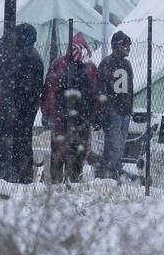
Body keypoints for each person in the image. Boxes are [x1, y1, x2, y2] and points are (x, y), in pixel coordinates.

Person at [41, 32, 98, 183]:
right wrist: (94, 115)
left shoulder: (58, 64)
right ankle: (73, 179)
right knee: (78, 151)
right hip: (82, 119)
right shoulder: (91, 67)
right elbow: (96, 95)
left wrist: (47, 112)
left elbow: (49, 90)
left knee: (58, 150)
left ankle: (56, 181)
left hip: (60, 116)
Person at [0, 24, 45, 182]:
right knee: (22, 139)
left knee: (17, 139)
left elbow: (8, 78)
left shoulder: (22, 57)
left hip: (19, 103)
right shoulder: (31, 56)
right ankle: (22, 174)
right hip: (26, 104)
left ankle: (17, 174)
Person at [95, 30, 135, 179]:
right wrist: (104, 112)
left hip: (124, 111)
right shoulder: (107, 63)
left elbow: (130, 89)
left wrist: (130, 108)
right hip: (113, 112)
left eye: (129, 45)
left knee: (120, 144)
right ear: (117, 46)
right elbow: (101, 90)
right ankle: (109, 173)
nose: (128, 48)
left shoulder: (126, 64)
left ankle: (115, 170)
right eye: (125, 45)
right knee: (113, 145)